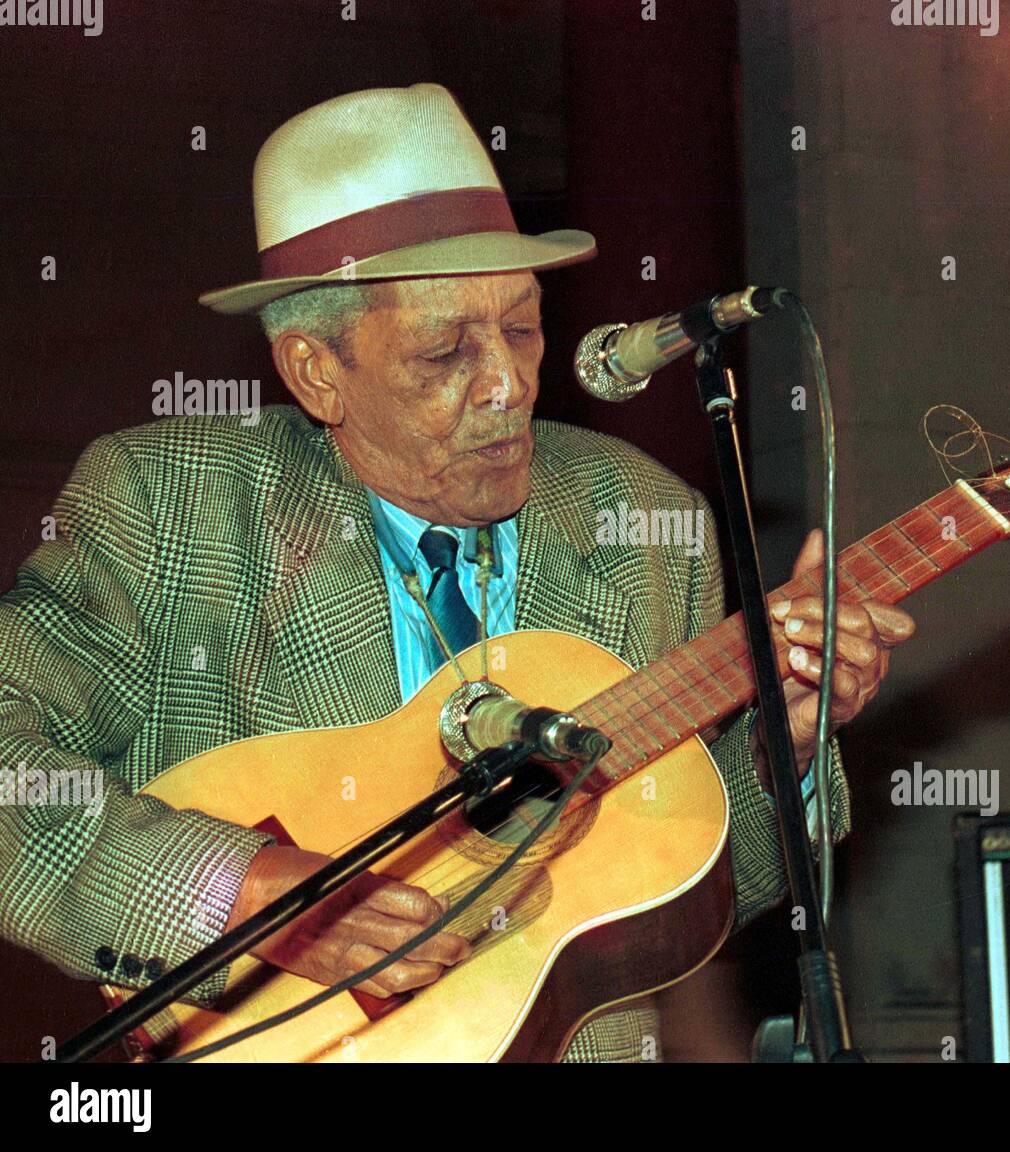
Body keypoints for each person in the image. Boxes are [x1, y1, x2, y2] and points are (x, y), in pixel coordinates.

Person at [0, 84, 914, 1062]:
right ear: (317, 372)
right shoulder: (169, 504)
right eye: (445, 349)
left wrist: (790, 747)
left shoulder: (646, 522)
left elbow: (685, 887)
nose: (508, 382)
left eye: (521, 328)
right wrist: (253, 891)